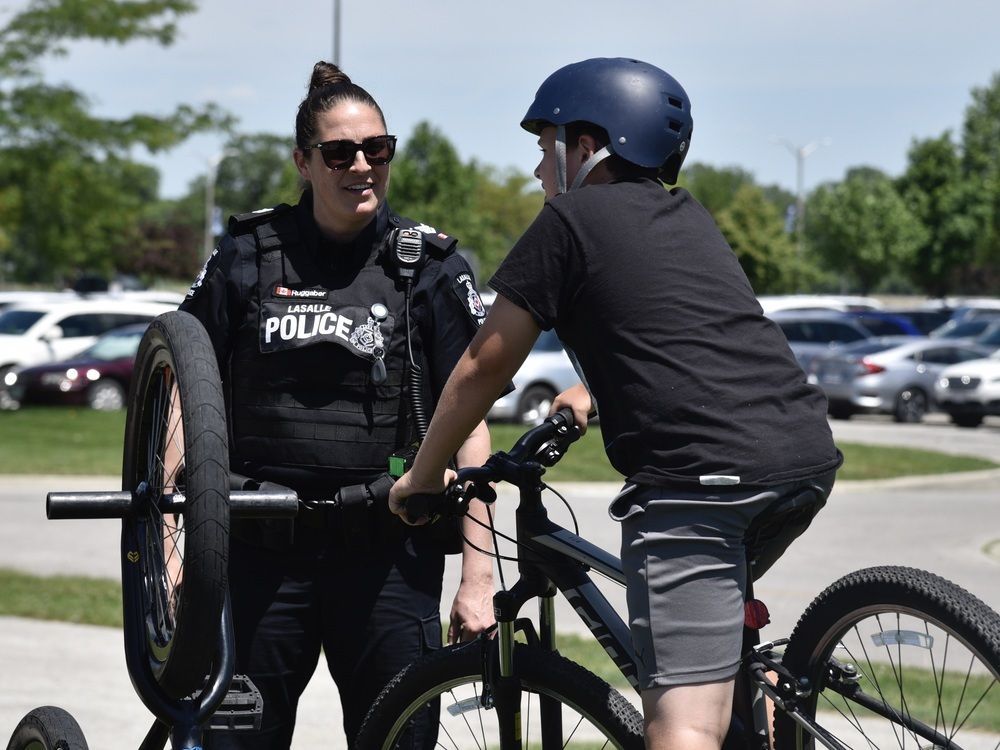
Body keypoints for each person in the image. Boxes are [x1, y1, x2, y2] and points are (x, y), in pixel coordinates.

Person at [388, 57, 842, 750]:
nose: (539, 171)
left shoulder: (568, 222)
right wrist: (590, 393)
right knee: (726, 668)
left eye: (546, 148)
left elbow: (482, 366)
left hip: (698, 485)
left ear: (589, 145)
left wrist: (422, 475)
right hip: (803, 458)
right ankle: (766, 708)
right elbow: (679, 339)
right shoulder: (686, 215)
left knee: (682, 724)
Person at [180, 61, 495, 748]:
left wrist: (478, 576)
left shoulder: (430, 267)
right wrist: (180, 552)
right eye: (340, 152)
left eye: (377, 149)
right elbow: (180, 389)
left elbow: (468, 421)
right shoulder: (245, 255)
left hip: (387, 553)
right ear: (303, 161)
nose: (362, 166)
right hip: (259, 553)